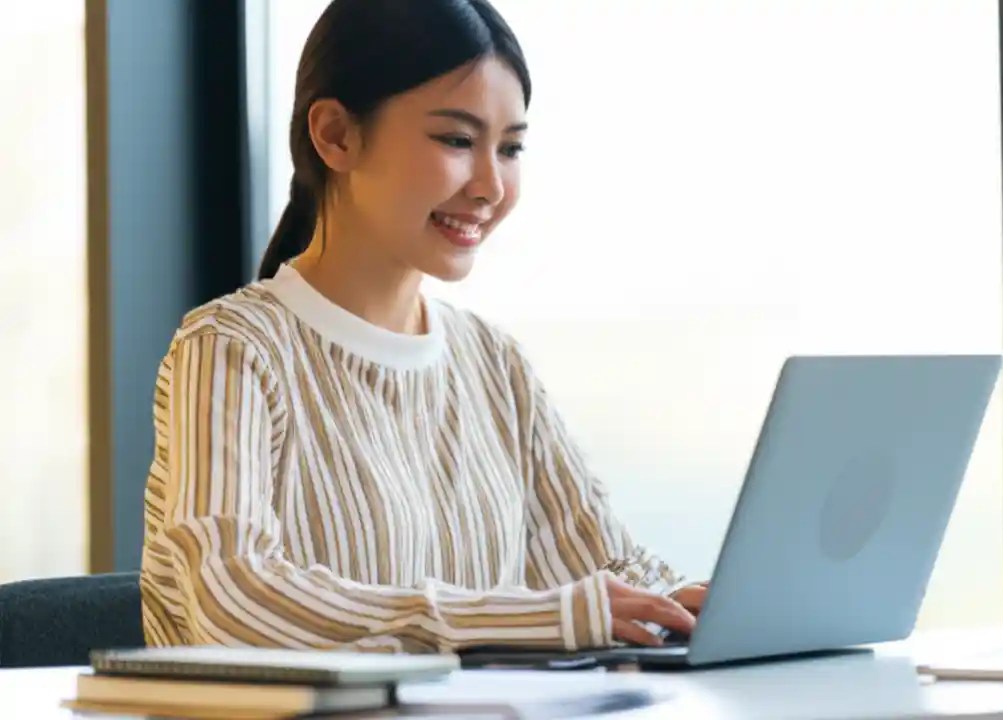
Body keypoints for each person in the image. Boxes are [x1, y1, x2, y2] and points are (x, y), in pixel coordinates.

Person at [140, 0, 704, 654]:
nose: (492, 185)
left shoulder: (495, 363)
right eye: (458, 141)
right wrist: (532, 617)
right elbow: (232, 600)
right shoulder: (233, 349)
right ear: (336, 136)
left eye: (512, 147)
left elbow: (604, 574)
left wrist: (706, 606)